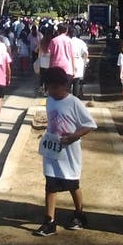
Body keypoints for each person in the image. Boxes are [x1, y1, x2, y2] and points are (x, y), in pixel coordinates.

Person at [35, 67, 97, 236]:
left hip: (69, 153)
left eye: (55, 87)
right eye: (49, 88)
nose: (52, 91)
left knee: (72, 183)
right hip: (52, 151)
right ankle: (49, 221)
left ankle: (79, 214)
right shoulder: (49, 100)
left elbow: (90, 124)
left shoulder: (74, 102)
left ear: (65, 85)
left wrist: (75, 135)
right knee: (50, 185)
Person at [69, 26, 89, 99]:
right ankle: (75, 99)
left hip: (68, 63)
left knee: (68, 82)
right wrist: (85, 61)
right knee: (76, 82)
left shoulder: (67, 41)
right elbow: (85, 53)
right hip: (78, 62)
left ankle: (67, 99)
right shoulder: (81, 42)